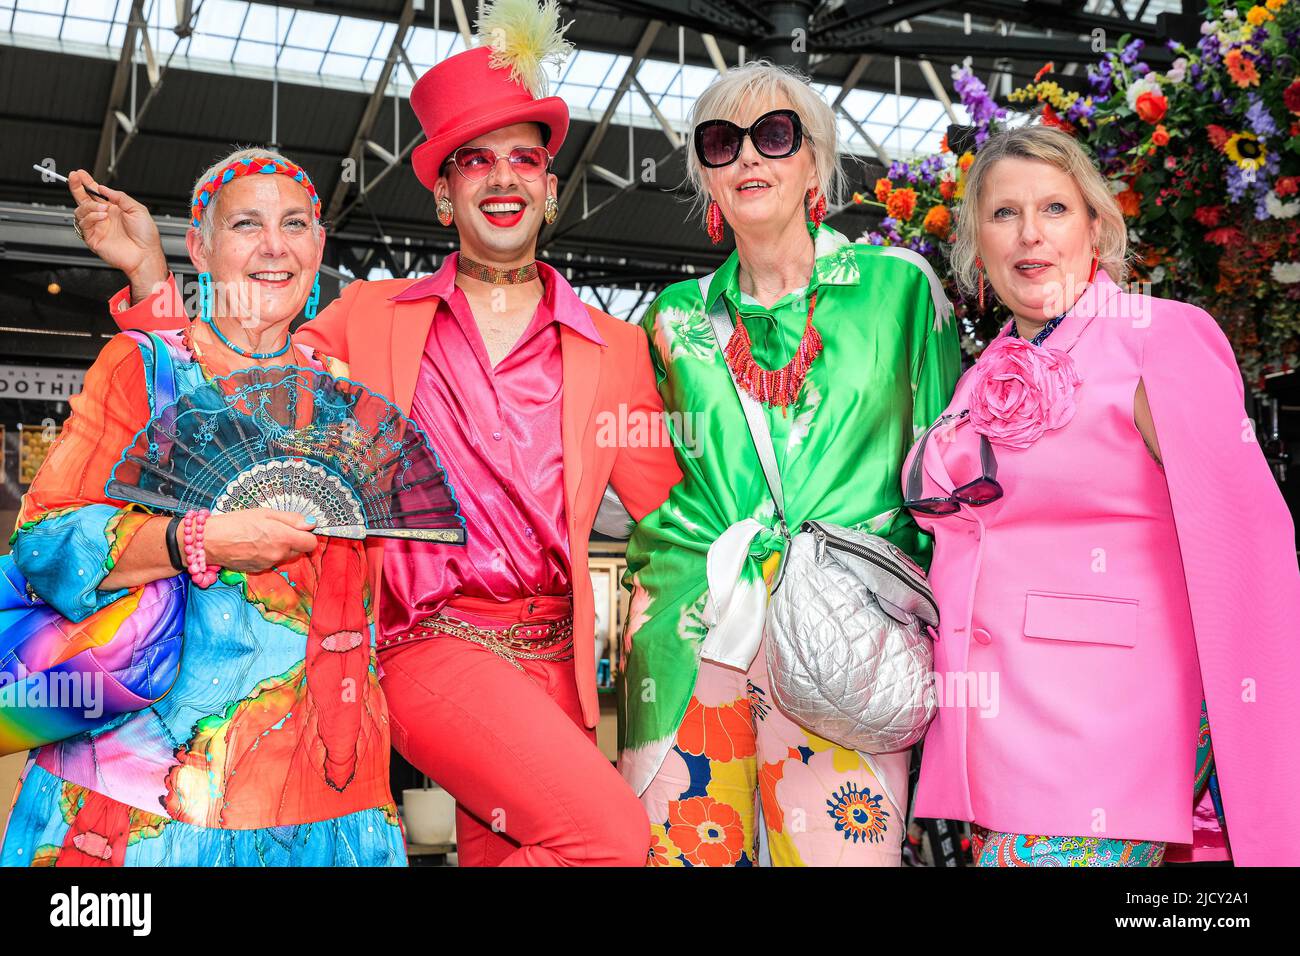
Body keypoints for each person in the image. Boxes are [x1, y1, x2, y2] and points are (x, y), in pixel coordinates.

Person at [91, 0, 680, 866]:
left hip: (556, 667)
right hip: (425, 644)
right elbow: (233, 380)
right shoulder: (368, 318)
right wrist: (150, 277)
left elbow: (673, 521)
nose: (503, 179)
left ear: (553, 188)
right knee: (609, 838)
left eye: (525, 159)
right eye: (475, 162)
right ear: (443, 196)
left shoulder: (618, 349)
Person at [904, 124, 1300, 866]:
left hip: (1104, 739)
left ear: (1097, 224)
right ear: (976, 245)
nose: (1030, 235)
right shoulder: (980, 374)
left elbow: (1250, 555)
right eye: (1003, 214)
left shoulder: (1160, 339)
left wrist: (1247, 739)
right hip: (993, 741)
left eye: (1054, 209)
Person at [1, 148, 406, 866]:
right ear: (200, 246)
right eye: (246, 224)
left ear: (318, 245)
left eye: (295, 224)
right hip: (149, 799)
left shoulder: (346, 396)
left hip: (329, 799)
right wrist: (203, 540)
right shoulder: (144, 366)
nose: (274, 246)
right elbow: (44, 540)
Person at [619, 61, 962, 867]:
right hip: (690, 639)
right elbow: (644, 476)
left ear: (815, 161)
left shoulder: (900, 290)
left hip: (848, 639)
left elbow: (949, 484)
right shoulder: (673, 318)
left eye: (774, 135)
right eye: (720, 141)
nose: (748, 158)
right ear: (704, 174)